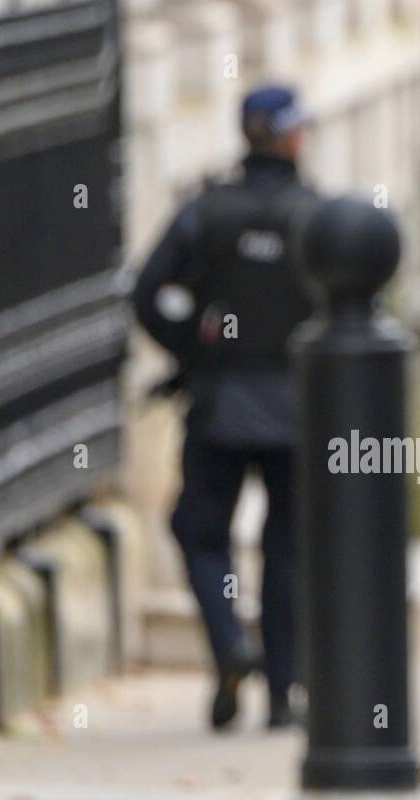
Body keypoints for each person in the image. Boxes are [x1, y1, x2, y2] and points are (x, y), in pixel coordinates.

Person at [131, 85, 320, 731]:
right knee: (288, 547)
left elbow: (146, 290)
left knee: (198, 529)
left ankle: (230, 646)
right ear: (292, 136)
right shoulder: (316, 217)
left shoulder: (207, 210)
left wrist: (190, 350)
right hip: (297, 411)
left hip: (219, 404)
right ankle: (283, 694)